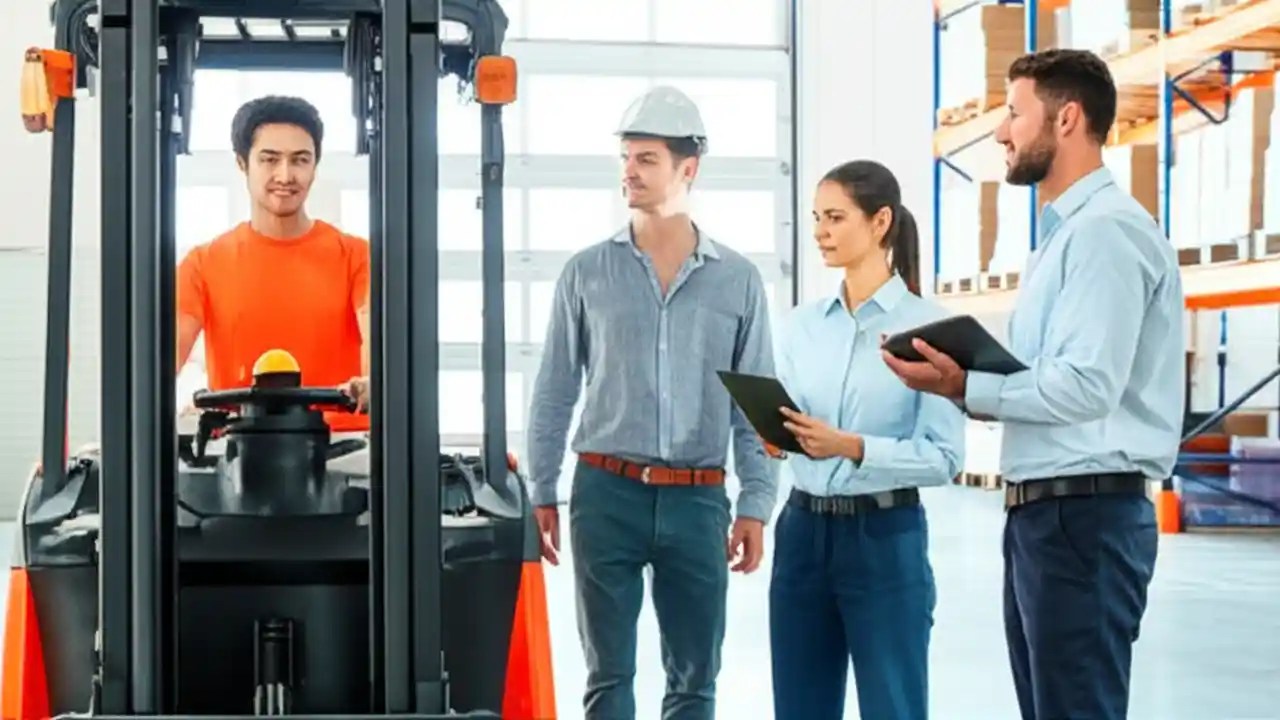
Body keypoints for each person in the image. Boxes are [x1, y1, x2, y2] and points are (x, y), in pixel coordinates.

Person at [883, 48, 1184, 720]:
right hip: (1054, 515)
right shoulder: (1064, 238)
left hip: (1085, 518)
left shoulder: (1104, 235)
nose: (1000, 133)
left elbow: (1086, 388)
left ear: (1067, 118)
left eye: (1015, 114)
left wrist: (965, 386)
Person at [525, 85, 778, 720]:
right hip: (604, 495)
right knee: (608, 678)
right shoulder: (585, 274)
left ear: (688, 169)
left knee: (695, 680)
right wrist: (542, 490)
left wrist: (755, 503)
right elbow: (555, 387)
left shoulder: (738, 280)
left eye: (646, 159)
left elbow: (756, 404)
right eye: (625, 158)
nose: (629, 173)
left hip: (697, 499)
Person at [766, 159, 964, 720]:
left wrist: (852, 447)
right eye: (815, 218)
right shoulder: (801, 326)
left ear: (880, 223)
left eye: (834, 217)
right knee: (800, 708)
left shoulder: (931, 330)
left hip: (884, 539)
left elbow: (946, 458)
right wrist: (778, 437)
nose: (820, 231)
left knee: (893, 707)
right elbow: (793, 420)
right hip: (801, 534)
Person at [176, 95, 370, 432]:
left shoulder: (357, 257)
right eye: (269, 159)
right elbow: (158, 363)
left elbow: (378, 341)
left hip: (343, 453)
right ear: (242, 163)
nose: (285, 174)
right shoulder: (203, 264)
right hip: (241, 455)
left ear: (314, 166)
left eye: (300, 160)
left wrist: (369, 383)